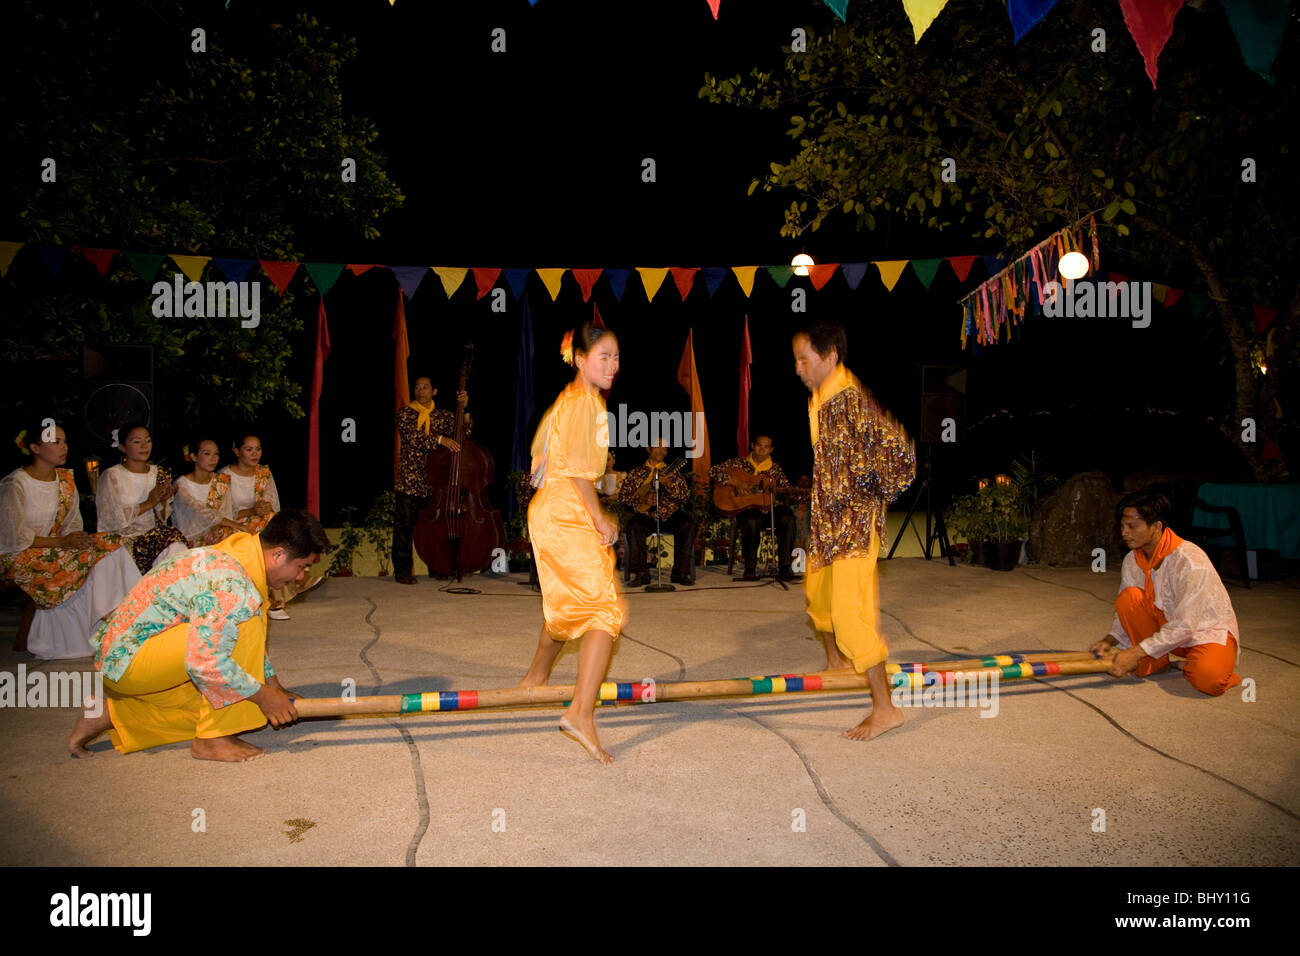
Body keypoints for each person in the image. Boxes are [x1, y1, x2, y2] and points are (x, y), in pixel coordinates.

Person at [67, 509, 330, 762]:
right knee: (243, 670)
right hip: (130, 660)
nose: (301, 576)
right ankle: (211, 740)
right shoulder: (232, 583)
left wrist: (272, 686)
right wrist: (263, 694)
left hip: (132, 657)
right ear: (278, 555)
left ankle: (110, 715)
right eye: (302, 566)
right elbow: (205, 661)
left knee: (237, 708)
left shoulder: (241, 550)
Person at [793, 321, 915, 741]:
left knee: (849, 614)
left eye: (804, 359)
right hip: (827, 522)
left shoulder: (850, 399)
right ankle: (837, 663)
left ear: (829, 357)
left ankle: (885, 709)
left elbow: (902, 455)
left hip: (854, 525)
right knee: (817, 597)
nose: (798, 367)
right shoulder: (820, 399)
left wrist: (868, 496)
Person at [517, 321, 627, 764]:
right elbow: (582, 474)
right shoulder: (588, 405)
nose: (613, 365)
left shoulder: (567, 401)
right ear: (580, 359)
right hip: (567, 514)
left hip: (550, 509)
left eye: (617, 356)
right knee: (606, 608)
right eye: (604, 356)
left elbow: (538, 466)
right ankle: (581, 712)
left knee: (571, 604)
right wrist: (600, 517)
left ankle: (534, 679)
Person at [1, 422, 139, 659]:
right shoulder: (16, 483)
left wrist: (76, 540)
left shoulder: (65, 480)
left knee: (111, 543)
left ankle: (121, 614)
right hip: (20, 554)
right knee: (90, 556)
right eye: (55, 442)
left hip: (57, 548)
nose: (63, 447)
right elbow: (14, 538)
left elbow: (73, 524)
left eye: (64, 441)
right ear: (34, 447)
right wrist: (63, 543)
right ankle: (100, 623)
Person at [1089, 491, 1242, 696]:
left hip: (1204, 633)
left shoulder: (1190, 561)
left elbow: (1186, 625)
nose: (1124, 532)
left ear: (1157, 527)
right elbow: (1127, 609)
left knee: (1209, 681)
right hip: (1167, 629)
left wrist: (1135, 653)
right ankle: (1157, 663)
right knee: (1129, 597)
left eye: (1132, 526)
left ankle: (1195, 664)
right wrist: (1108, 640)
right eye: (1122, 526)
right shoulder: (1132, 559)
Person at [392, 376, 466, 586]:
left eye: (425, 387)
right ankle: (403, 571)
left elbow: (463, 434)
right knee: (404, 527)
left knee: (436, 529)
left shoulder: (443, 416)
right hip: (410, 479)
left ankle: (438, 567)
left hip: (436, 482)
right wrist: (440, 439)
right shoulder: (406, 413)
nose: (420, 390)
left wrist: (464, 407)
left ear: (434, 391)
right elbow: (413, 437)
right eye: (417, 386)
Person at [94, 421, 188, 574]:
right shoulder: (112, 475)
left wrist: (163, 501)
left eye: (148, 440)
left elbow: (161, 518)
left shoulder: (159, 473)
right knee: (170, 541)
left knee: (175, 542)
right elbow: (110, 519)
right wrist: (149, 502)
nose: (144, 446)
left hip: (153, 537)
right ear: (122, 447)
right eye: (137, 442)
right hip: (124, 539)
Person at [710, 435, 798, 580]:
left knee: (787, 518)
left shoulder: (775, 469)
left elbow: (786, 489)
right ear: (752, 445)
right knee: (751, 521)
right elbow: (713, 471)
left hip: (771, 509)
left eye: (766, 446)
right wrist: (736, 482)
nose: (762, 449)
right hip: (747, 510)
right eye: (759, 445)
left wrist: (801, 493)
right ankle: (750, 568)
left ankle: (785, 567)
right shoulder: (737, 463)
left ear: (771, 449)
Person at [618, 440, 697, 586]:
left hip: (669, 514)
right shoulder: (636, 473)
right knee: (633, 526)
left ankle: (680, 573)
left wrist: (669, 485)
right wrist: (642, 498)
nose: (662, 451)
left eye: (665, 449)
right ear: (648, 448)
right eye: (658, 447)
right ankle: (641, 574)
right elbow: (623, 497)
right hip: (646, 515)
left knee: (688, 524)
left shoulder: (673, 472)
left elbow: (685, 496)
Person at [170, 438, 247, 548]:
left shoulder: (221, 481)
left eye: (216, 454)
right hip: (192, 537)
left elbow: (226, 512)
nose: (213, 458)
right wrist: (235, 525)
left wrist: (215, 528)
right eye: (207, 453)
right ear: (193, 457)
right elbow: (198, 511)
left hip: (218, 532)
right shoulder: (182, 484)